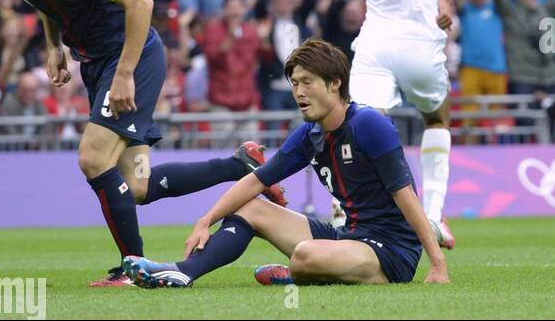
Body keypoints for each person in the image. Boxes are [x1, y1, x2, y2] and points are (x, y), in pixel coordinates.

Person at [0, 0, 284, 287]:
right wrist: (53, 47)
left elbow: (141, 1)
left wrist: (125, 73)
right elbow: (44, 1)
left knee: (94, 158)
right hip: (97, 63)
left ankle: (132, 267)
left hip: (133, 56)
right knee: (136, 185)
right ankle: (240, 165)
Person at [122, 38, 449, 287]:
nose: (299, 92)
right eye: (294, 83)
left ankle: (298, 273)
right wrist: (206, 220)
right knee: (250, 207)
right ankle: (183, 273)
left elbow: (405, 195)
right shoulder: (309, 132)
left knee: (306, 254)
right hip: (350, 236)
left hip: (390, 252)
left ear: (335, 83)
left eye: (307, 82)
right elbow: (257, 180)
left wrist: (436, 263)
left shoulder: (369, 124)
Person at [350, 0, 461, 249]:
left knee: (360, 127)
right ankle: (431, 216)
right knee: (437, 116)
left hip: (373, 42)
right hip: (417, 41)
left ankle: (346, 211)